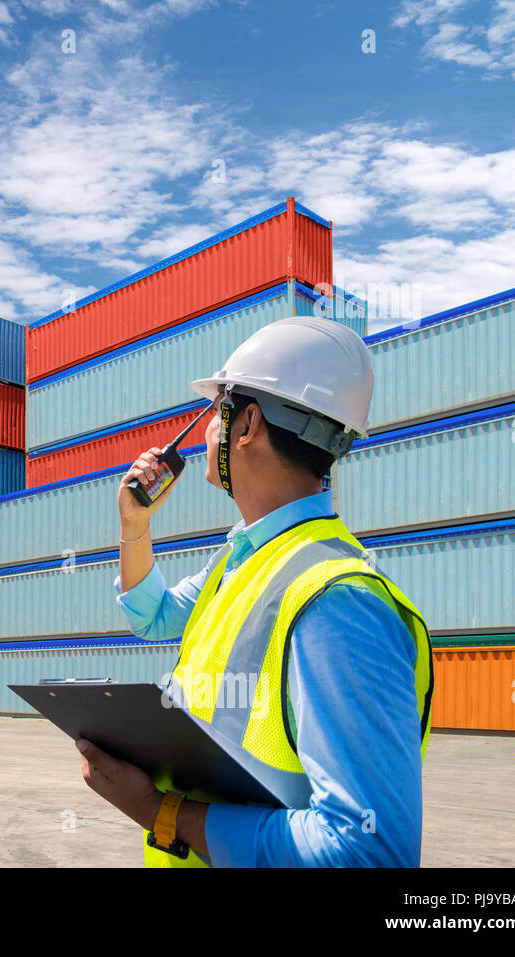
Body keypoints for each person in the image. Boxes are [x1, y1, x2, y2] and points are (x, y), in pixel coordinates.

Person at [80, 316, 433, 867]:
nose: (202, 433)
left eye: (215, 410)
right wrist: (134, 527)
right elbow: (151, 616)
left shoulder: (338, 601)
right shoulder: (243, 562)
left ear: (245, 425)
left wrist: (160, 812)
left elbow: (369, 852)